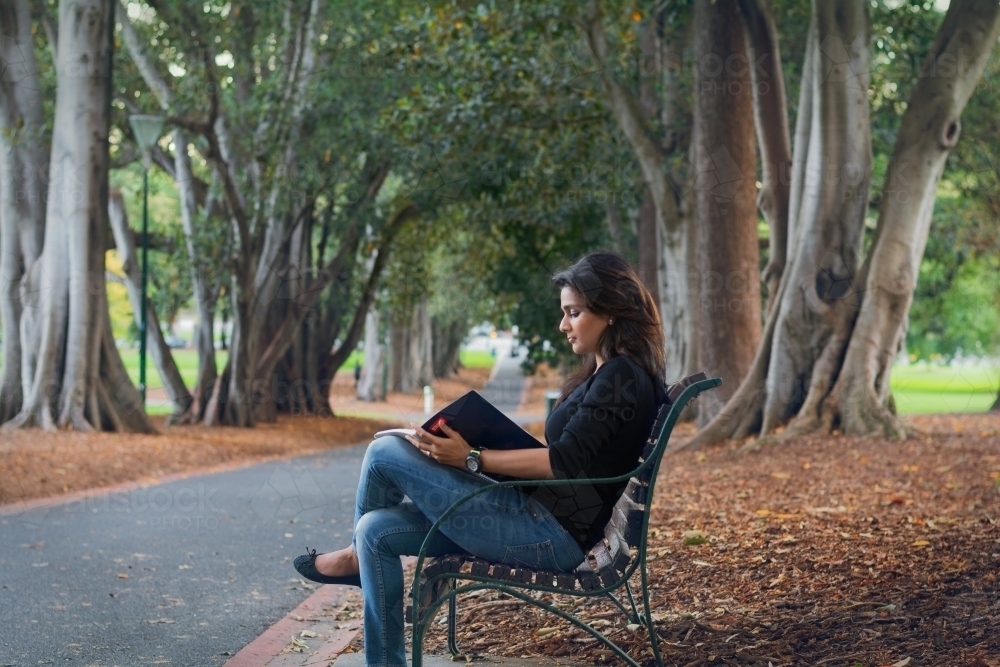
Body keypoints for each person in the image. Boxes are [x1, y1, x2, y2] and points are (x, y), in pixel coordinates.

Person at [293, 251, 666, 667]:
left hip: (549, 535)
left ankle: (352, 561)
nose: (563, 325)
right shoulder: (605, 373)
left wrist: (472, 457)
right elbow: (569, 457)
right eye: (564, 313)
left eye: (574, 313)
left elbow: (562, 463)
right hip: (533, 515)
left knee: (383, 451)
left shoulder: (621, 377)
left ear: (610, 311)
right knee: (375, 529)